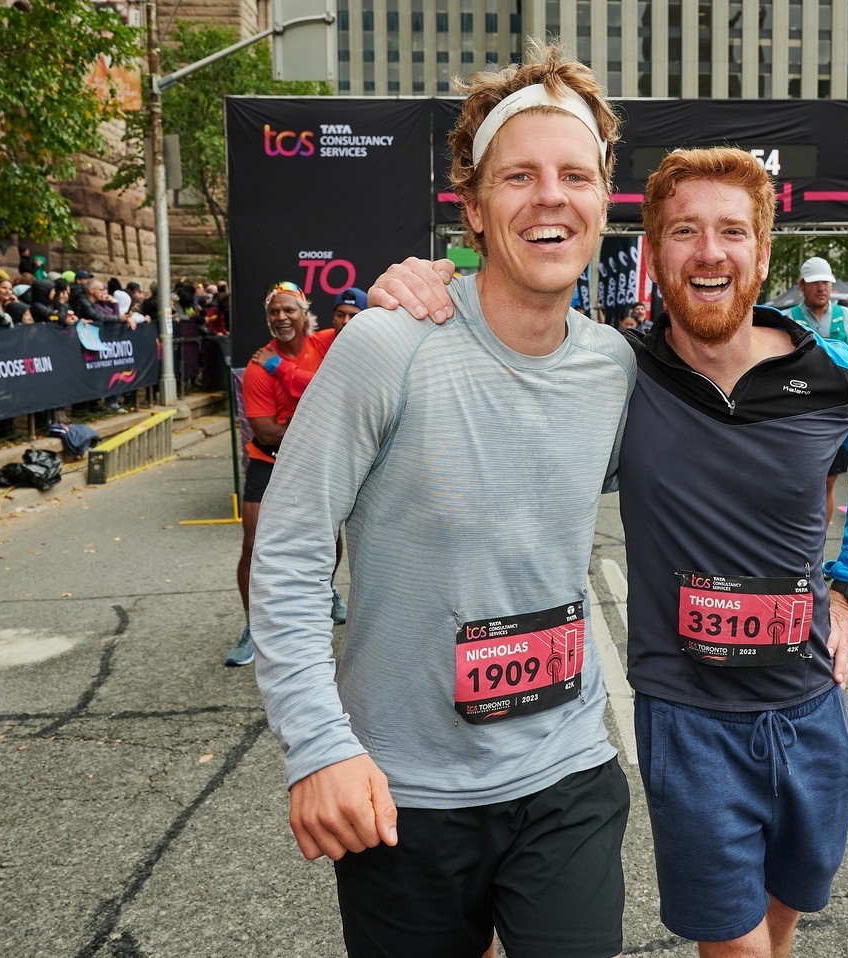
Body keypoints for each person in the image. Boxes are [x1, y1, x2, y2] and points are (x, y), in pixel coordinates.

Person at [370, 146, 848, 958]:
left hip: (809, 709)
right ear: (653, 254)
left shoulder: (827, 373)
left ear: (762, 254)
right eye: (683, 231)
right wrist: (424, 284)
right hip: (687, 714)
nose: (708, 251)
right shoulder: (620, 371)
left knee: (781, 920)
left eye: (732, 232)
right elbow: (509, 359)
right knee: (732, 945)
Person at [251, 45, 634, 958]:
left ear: (603, 201)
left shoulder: (616, 368)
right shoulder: (388, 346)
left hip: (568, 771)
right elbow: (292, 554)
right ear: (471, 205)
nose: (551, 197)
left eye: (574, 174)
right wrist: (318, 748)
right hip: (403, 794)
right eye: (518, 176)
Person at [227, 281, 337, 667]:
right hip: (270, 460)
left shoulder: (326, 343)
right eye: (274, 311)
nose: (281, 317)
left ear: (305, 312)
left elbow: (336, 386)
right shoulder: (260, 366)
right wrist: (319, 425)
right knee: (253, 543)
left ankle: (329, 594)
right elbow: (265, 429)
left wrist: (286, 370)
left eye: (289, 309)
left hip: (319, 459)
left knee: (329, 535)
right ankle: (253, 627)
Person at [787, 256, 848, 526]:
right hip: (799, 412)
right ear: (801, 285)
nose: (822, 287)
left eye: (826, 282)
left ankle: (817, 546)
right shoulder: (789, 318)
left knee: (826, 483)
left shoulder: (847, 317)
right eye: (814, 282)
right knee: (798, 484)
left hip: (838, 413)